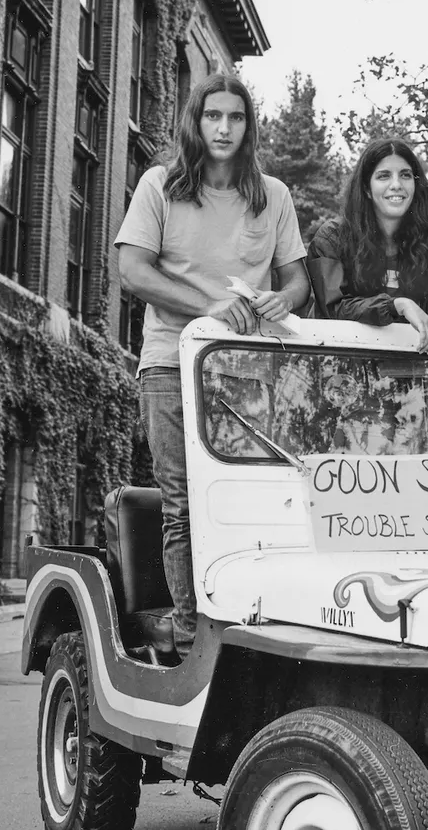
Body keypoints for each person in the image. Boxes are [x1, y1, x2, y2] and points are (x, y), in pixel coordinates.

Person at [115, 72, 310, 659]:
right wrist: (211, 310)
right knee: (183, 500)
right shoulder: (160, 187)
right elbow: (132, 271)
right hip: (170, 365)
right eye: (213, 116)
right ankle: (188, 636)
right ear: (195, 123)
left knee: (257, 496)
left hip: (246, 371)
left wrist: (285, 298)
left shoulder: (272, 195)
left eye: (236, 117)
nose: (224, 128)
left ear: (249, 127)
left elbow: (297, 278)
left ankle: (252, 628)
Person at [308, 137, 428, 357]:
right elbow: (334, 308)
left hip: (409, 375)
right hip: (337, 370)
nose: (397, 185)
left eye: (405, 175)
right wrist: (397, 305)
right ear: (366, 188)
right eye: (384, 176)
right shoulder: (333, 238)